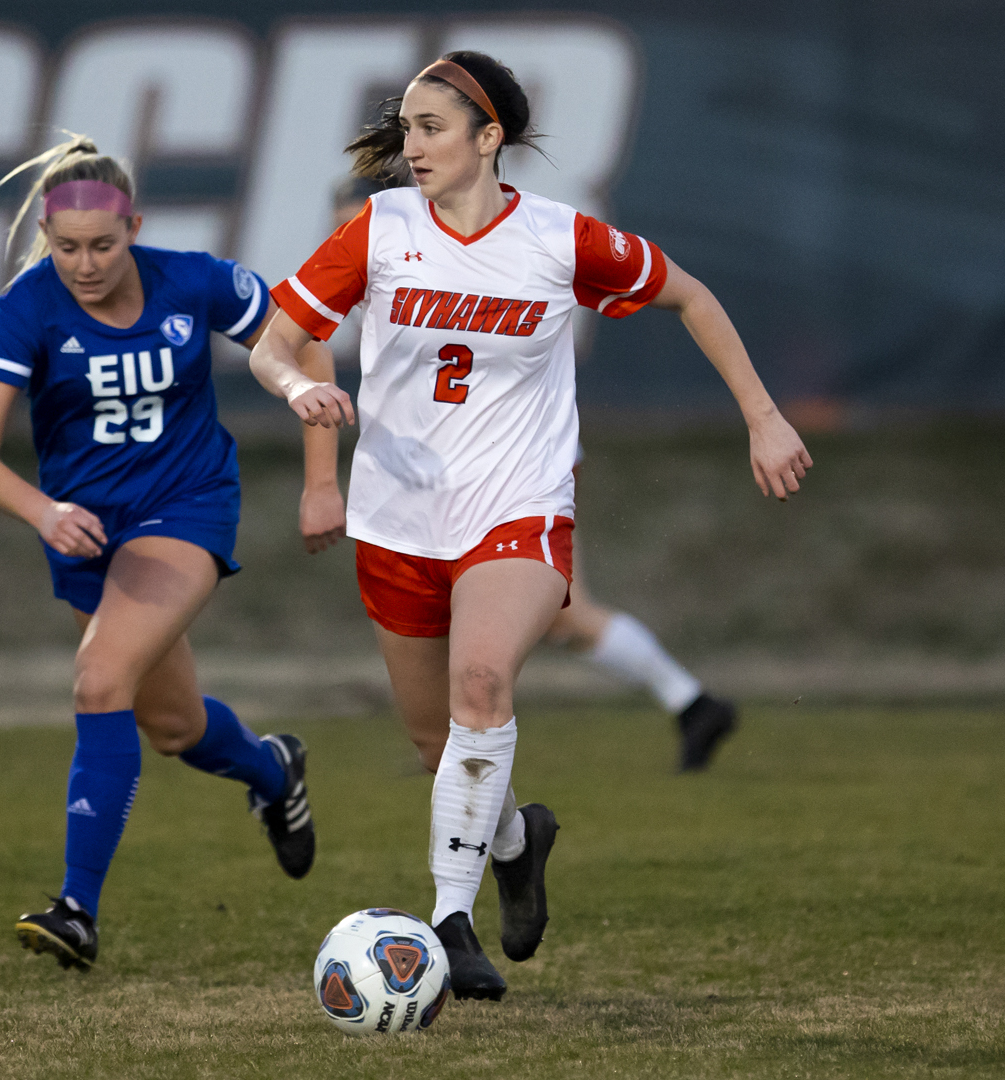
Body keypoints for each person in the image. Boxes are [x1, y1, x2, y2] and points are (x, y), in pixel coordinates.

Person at [251, 53, 811, 1000]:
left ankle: (448, 924)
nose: (413, 147)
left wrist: (763, 415)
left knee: (483, 681)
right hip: (397, 518)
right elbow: (277, 339)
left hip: (520, 509)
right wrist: (304, 390)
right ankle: (516, 840)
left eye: (433, 129)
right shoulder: (378, 230)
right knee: (441, 745)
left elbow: (691, 295)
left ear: (489, 137)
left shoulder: (562, 241)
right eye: (409, 128)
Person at [0, 135, 326, 972]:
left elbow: (302, 342)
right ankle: (274, 770)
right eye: (66, 248)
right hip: (87, 530)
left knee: (98, 680)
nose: (84, 265)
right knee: (172, 726)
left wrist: (319, 482)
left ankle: (76, 909)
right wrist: (44, 511)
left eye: (103, 245)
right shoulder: (27, 305)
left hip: (186, 508)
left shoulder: (191, 278)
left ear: (135, 227)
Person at [312, 176, 742, 773]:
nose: (345, 239)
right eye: (338, 227)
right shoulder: (372, 275)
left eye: (352, 223)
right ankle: (690, 704)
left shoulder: (466, 254)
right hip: (447, 480)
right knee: (560, 621)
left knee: (552, 614)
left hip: (518, 464)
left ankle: (680, 705)